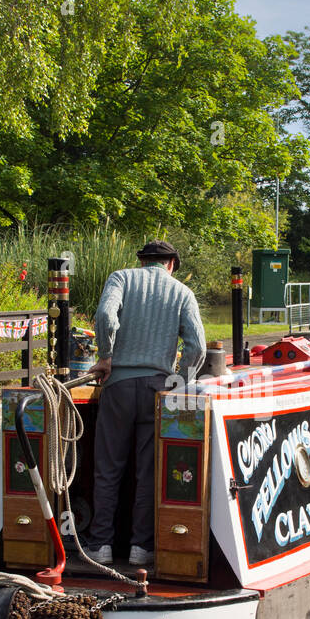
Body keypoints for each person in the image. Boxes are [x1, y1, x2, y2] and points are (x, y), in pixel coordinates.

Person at [87, 240, 205, 566]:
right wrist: (181, 382)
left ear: (142, 261)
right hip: (157, 390)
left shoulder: (121, 278)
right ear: (171, 264)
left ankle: (100, 546)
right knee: (148, 472)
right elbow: (197, 347)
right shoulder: (182, 293)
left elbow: (105, 316)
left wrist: (106, 356)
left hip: (119, 387)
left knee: (107, 470)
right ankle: (141, 548)